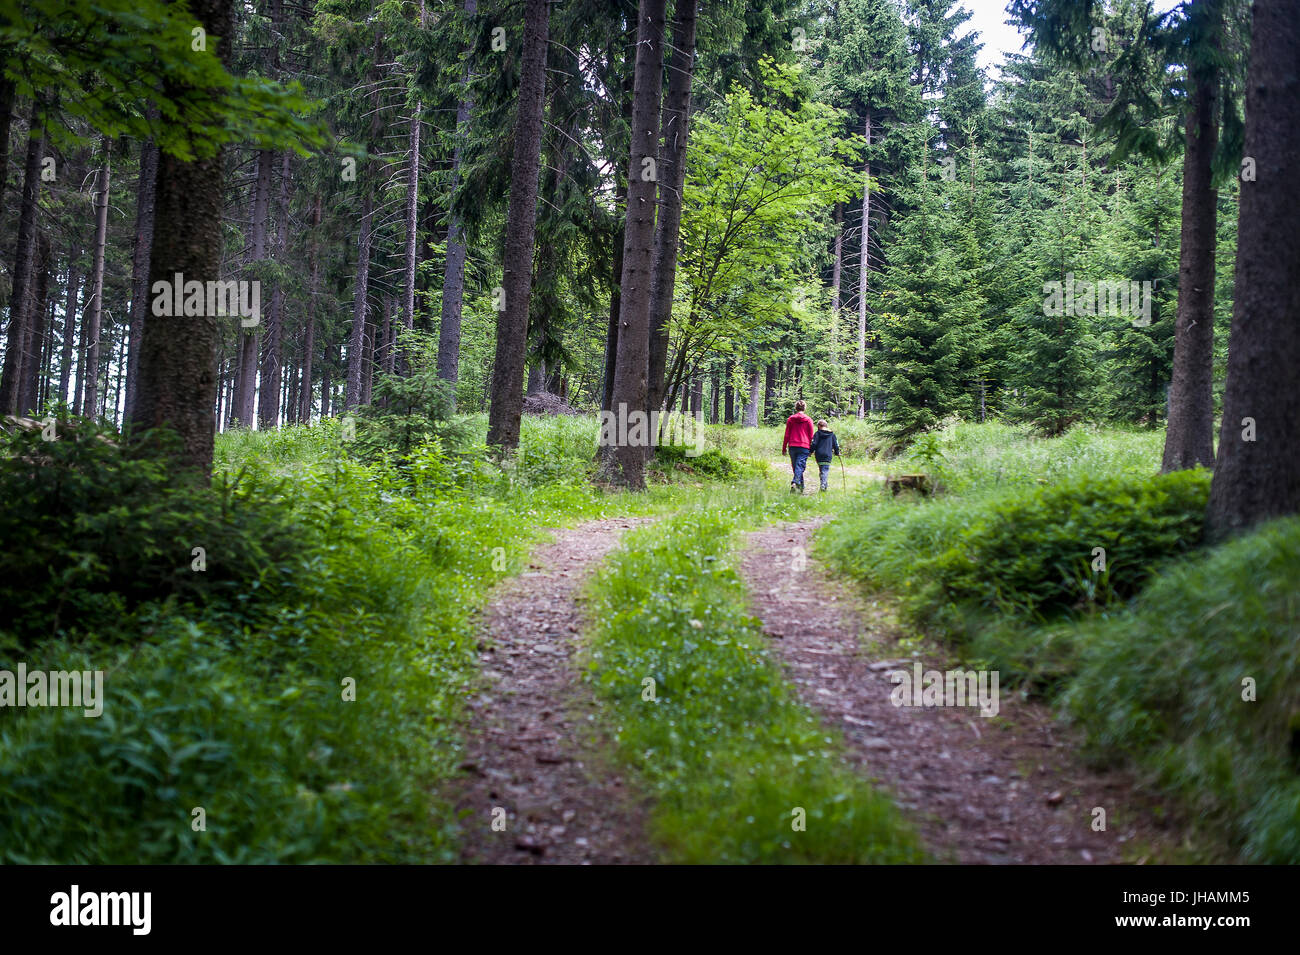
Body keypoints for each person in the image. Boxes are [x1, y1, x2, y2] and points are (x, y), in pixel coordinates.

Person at [781, 399, 815, 493]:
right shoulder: (808, 420)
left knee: (796, 466)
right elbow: (811, 436)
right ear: (804, 408)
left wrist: (784, 448)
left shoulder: (791, 419)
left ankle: (800, 487)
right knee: (799, 466)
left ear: (796, 408)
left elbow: (787, 435)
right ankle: (795, 482)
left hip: (792, 446)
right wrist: (812, 449)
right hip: (804, 446)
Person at [809, 419, 841, 492]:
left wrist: (810, 451)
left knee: (822, 470)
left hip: (819, 454)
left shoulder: (817, 433)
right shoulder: (832, 434)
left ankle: (823, 485)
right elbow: (836, 445)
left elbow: (814, 444)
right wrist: (837, 452)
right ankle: (823, 485)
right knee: (825, 470)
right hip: (828, 455)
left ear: (819, 426)